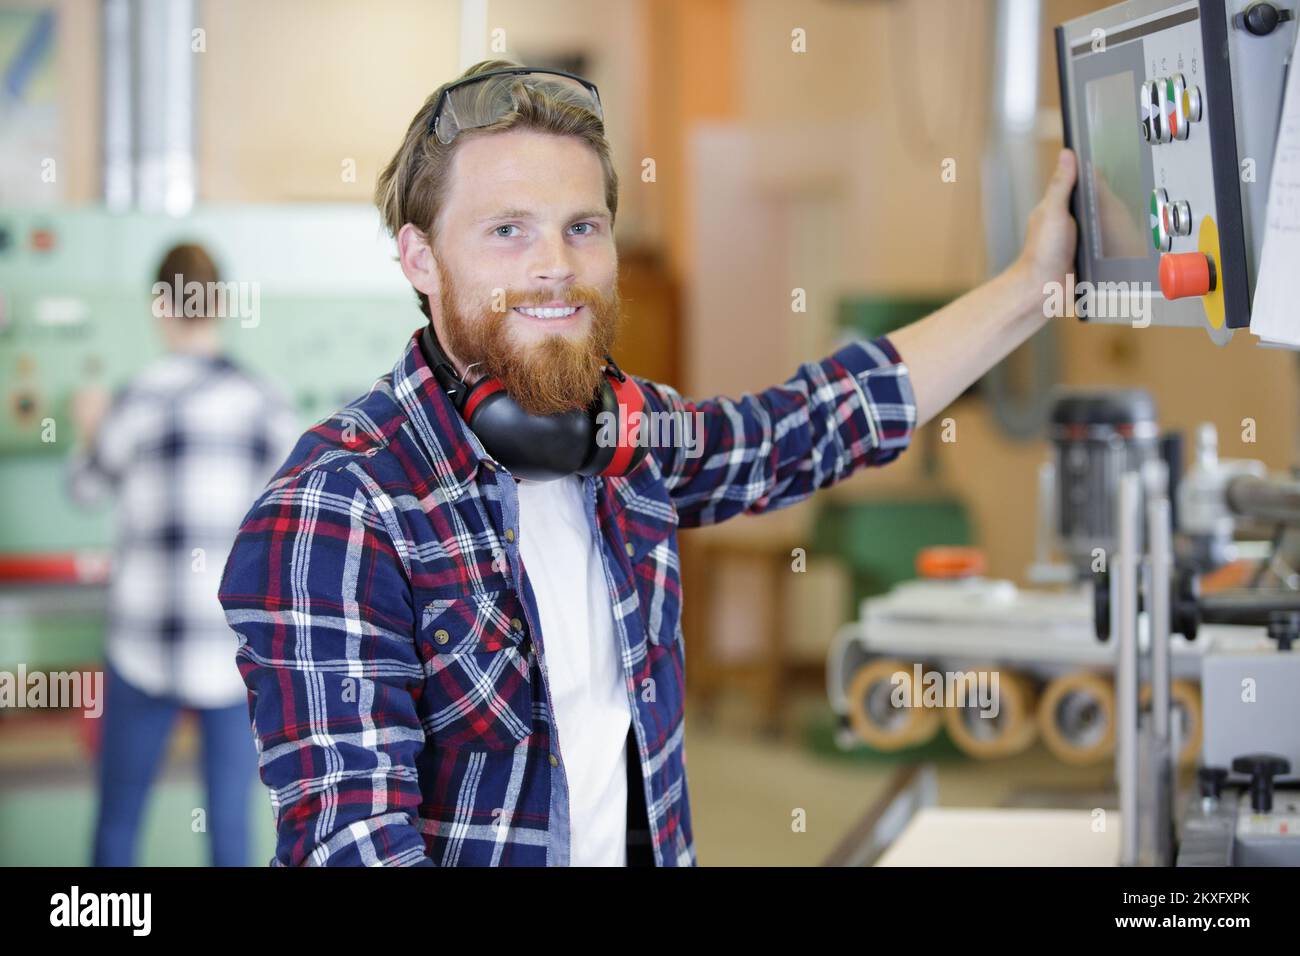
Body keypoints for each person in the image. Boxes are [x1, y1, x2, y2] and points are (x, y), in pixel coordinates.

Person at [218, 60, 1078, 866]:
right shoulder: (339, 506)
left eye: (582, 227)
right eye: (507, 230)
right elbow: (355, 843)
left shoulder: (624, 441)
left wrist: (1030, 288)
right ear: (419, 258)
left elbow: (807, 427)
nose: (555, 267)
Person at [68, 243, 300, 866]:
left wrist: (89, 430)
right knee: (231, 828)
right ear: (220, 304)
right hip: (229, 655)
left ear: (161, 307)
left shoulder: (135, 400)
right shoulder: (266, 403)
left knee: (118, 823)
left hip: (141, 651)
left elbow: (85, 488)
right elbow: (288, 525)